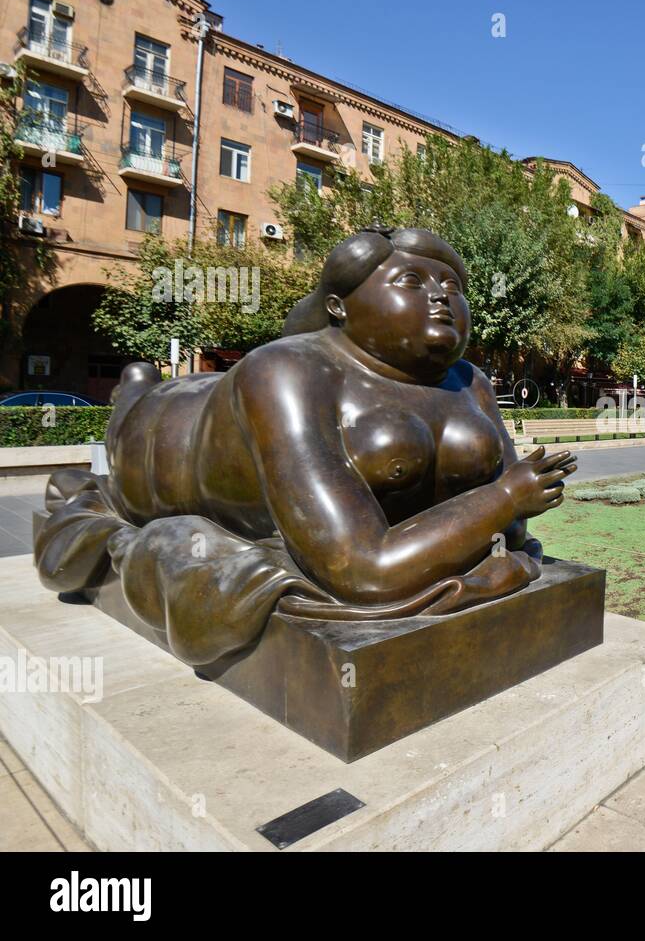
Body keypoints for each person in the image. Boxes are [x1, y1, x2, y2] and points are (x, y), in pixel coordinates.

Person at [35, 225, 576, 665]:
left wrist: (507, 504)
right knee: (142, 415)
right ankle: (135, 391)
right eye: (411, 281)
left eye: (452, 286)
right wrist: (502, 499)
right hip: (159, 445)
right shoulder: (287, 372)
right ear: (340, 307)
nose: (440, 296)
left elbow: (513, 526)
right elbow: (363, 567)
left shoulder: (470, 381)